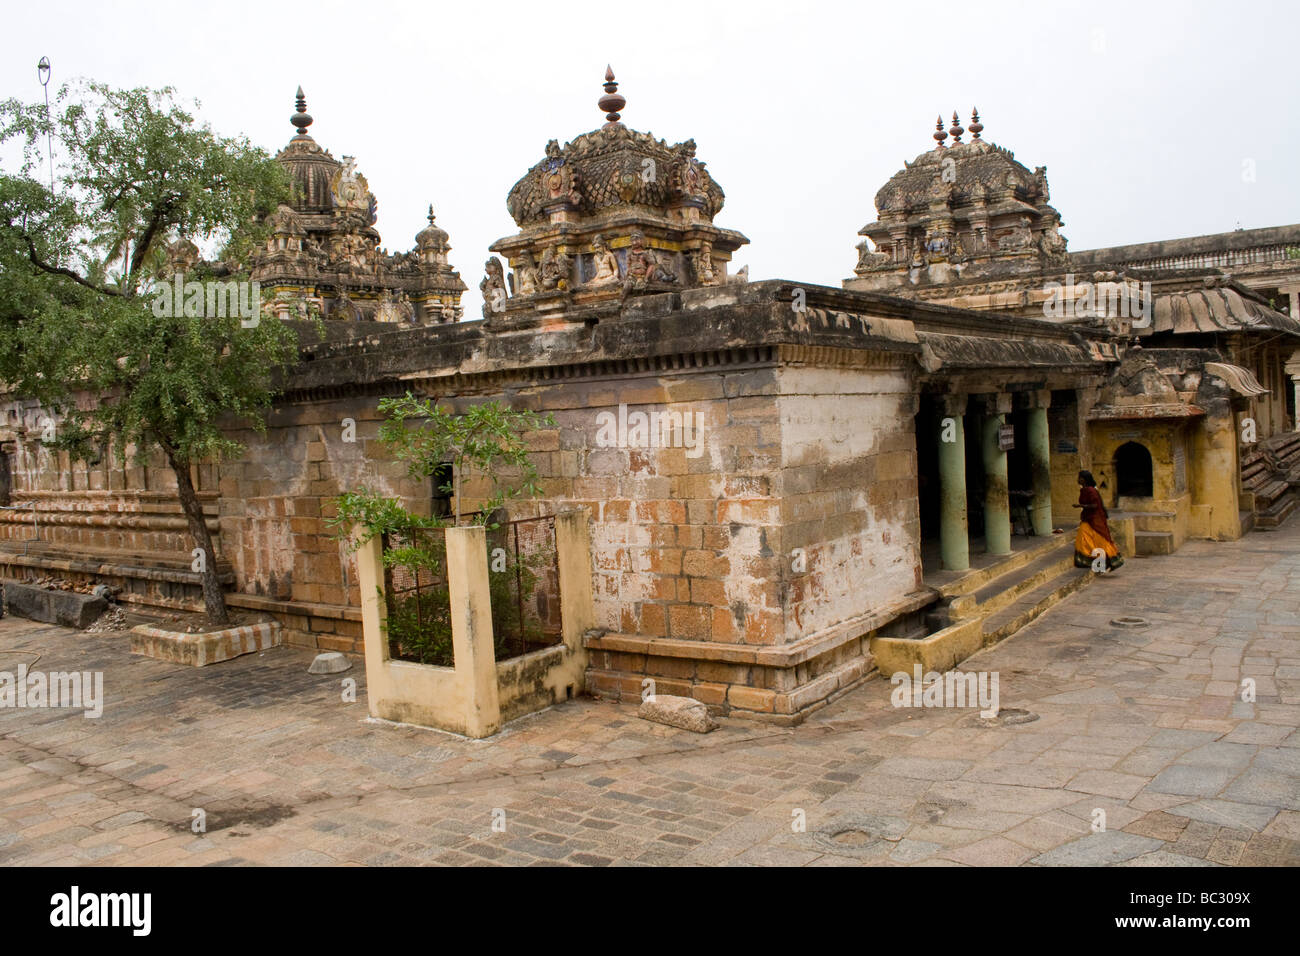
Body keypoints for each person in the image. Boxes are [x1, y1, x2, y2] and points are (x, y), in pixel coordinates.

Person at [1073, 470, 1123, 571]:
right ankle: (1088, 559)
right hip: (1088, 518)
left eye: (1080, 478)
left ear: (1084, 479)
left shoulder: (1091, 491)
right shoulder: (1085, 490)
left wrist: (1081, 506)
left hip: (1095, 519)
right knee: (1084, 536)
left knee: (1099, 539)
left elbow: (1095, 505)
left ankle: (1108, 559)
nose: (1078, 480)